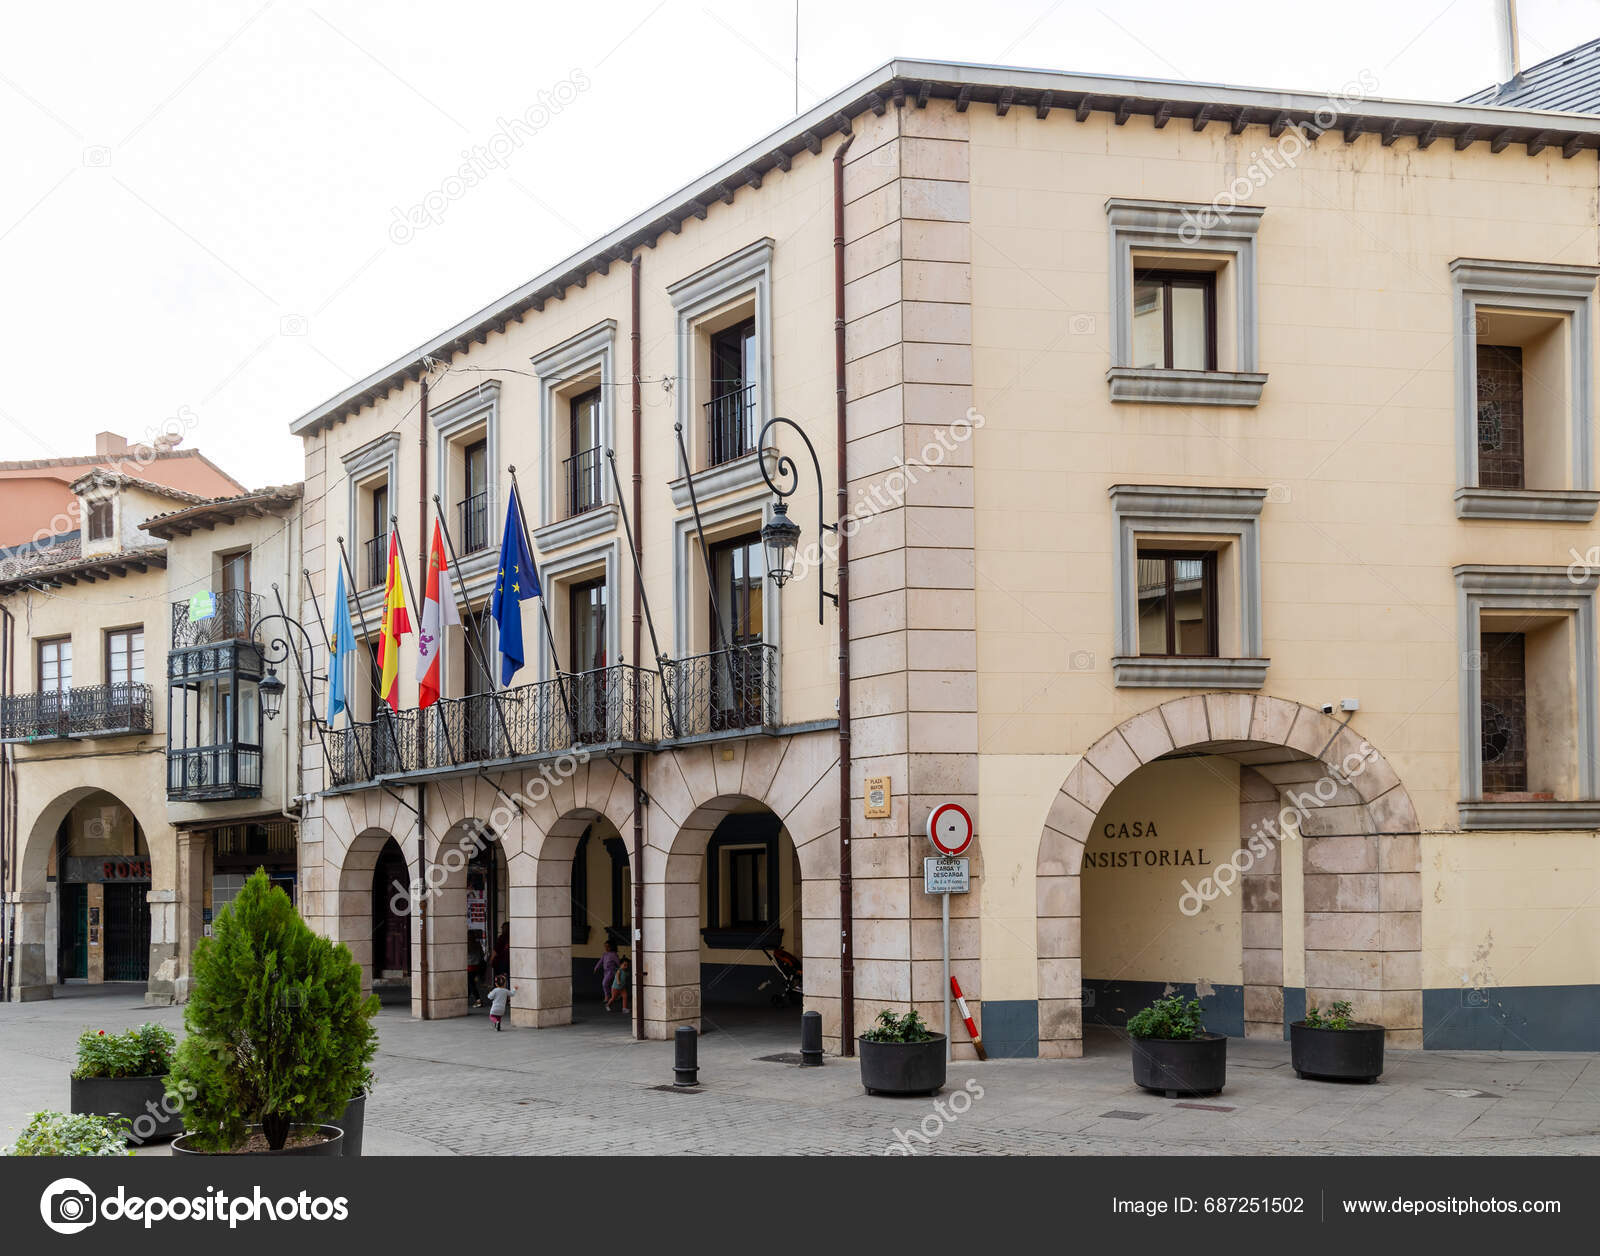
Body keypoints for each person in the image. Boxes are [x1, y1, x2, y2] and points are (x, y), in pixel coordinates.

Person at [594, 939, 622, 1010]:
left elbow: (618, 962)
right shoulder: (605, 954)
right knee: (610, 984)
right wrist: (596, 967)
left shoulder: (614, 955)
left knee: (604, 983)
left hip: (611, 971)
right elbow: (601, 961)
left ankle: (607, 996)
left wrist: (620, 969)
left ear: (611, 947)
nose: (606, 948)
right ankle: (616, 995)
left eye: (608, 947)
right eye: (605, 946)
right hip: (606, 972)